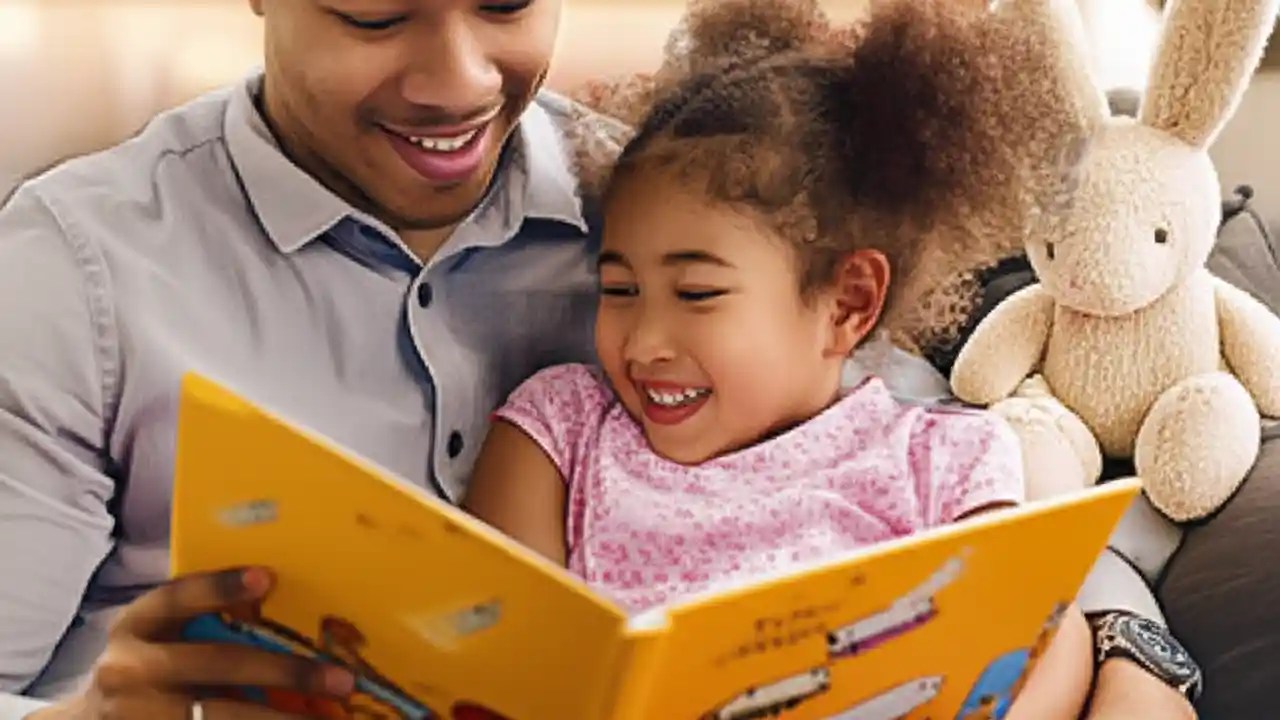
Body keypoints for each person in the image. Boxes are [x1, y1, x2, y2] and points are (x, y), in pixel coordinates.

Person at [0, 0, 1194, 718]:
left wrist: (1134, 658)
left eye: (508, 1)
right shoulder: (74, 275)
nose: (458, 81)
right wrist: (96, 711)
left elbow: (944, 492)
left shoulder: (668, 197)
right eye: (374, 11)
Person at [463, 4, 1090, 717]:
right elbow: (496, 645)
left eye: (696, 292)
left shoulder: (942, 465)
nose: (642, 344)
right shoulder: (562, 431)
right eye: (619, 289)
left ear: (848, 303)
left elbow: (1049, 635)